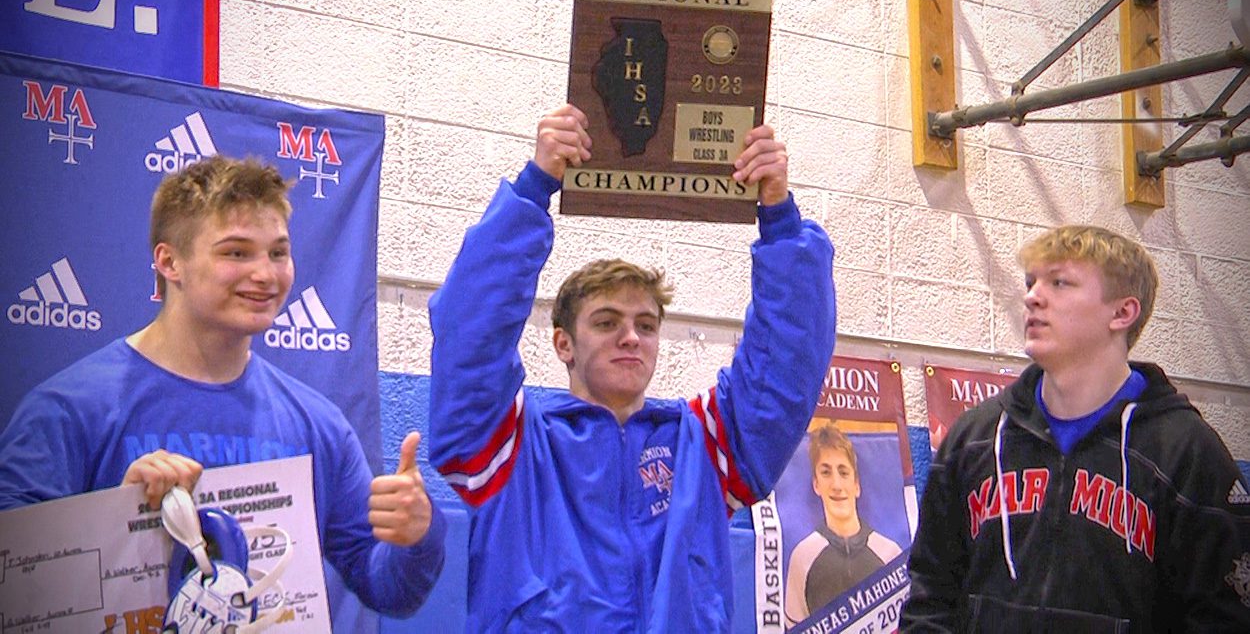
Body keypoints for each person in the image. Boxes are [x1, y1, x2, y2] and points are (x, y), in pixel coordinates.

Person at [428, 103, 837, 631]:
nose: (630, 337)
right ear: (563, 344)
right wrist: (534, 187)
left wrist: (780, 219)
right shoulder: (511, 445)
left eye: (646, 324)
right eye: (606, 322)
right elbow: (469, 330)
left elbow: (790, 361)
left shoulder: (705, 445)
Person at [0, 155, 446, 619]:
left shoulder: (319, 426)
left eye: (278, 252)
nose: (266, 274)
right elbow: (14, 591)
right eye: (236, 252)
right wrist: (118, 519)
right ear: (169, 261)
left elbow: (389, 590)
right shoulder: (68, 410)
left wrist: (418, 535)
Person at [901, 225, 1250, 631]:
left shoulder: (1186, 451)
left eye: (1060, 283)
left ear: (1122, 312)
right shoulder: (974, 437)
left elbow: (1223, 618)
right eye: (1032, 282)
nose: (1032, 296)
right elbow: (931, 595)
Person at [785, 424, 902, 626]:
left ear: (856, 485)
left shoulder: (890, 554)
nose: (837, 485)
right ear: (816, 485)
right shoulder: (802, 556)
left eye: (843, 472)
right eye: (826, 472)